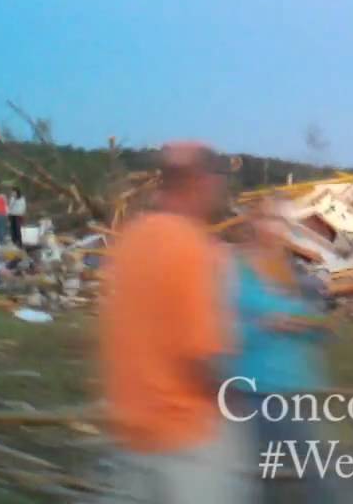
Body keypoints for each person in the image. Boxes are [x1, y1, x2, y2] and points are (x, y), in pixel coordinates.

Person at [99, 142, 249, 504]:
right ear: (202, 181)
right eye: (218, 180)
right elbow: (201, 356)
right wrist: (235, 402)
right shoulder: (193, 247)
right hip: (187, 438)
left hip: (132, 432)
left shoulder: (131, 240)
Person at [227, 215, 334, 504]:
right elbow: (222, 329)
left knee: (308, 467)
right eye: (269, 229)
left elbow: (320, 325)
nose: (275, 237)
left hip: (293, 384)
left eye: (280, 231)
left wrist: (311, 326)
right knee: (281, 471)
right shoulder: (235, 275)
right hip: (255, 387)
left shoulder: (288, 273)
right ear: (253, 232)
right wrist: (263, 325)